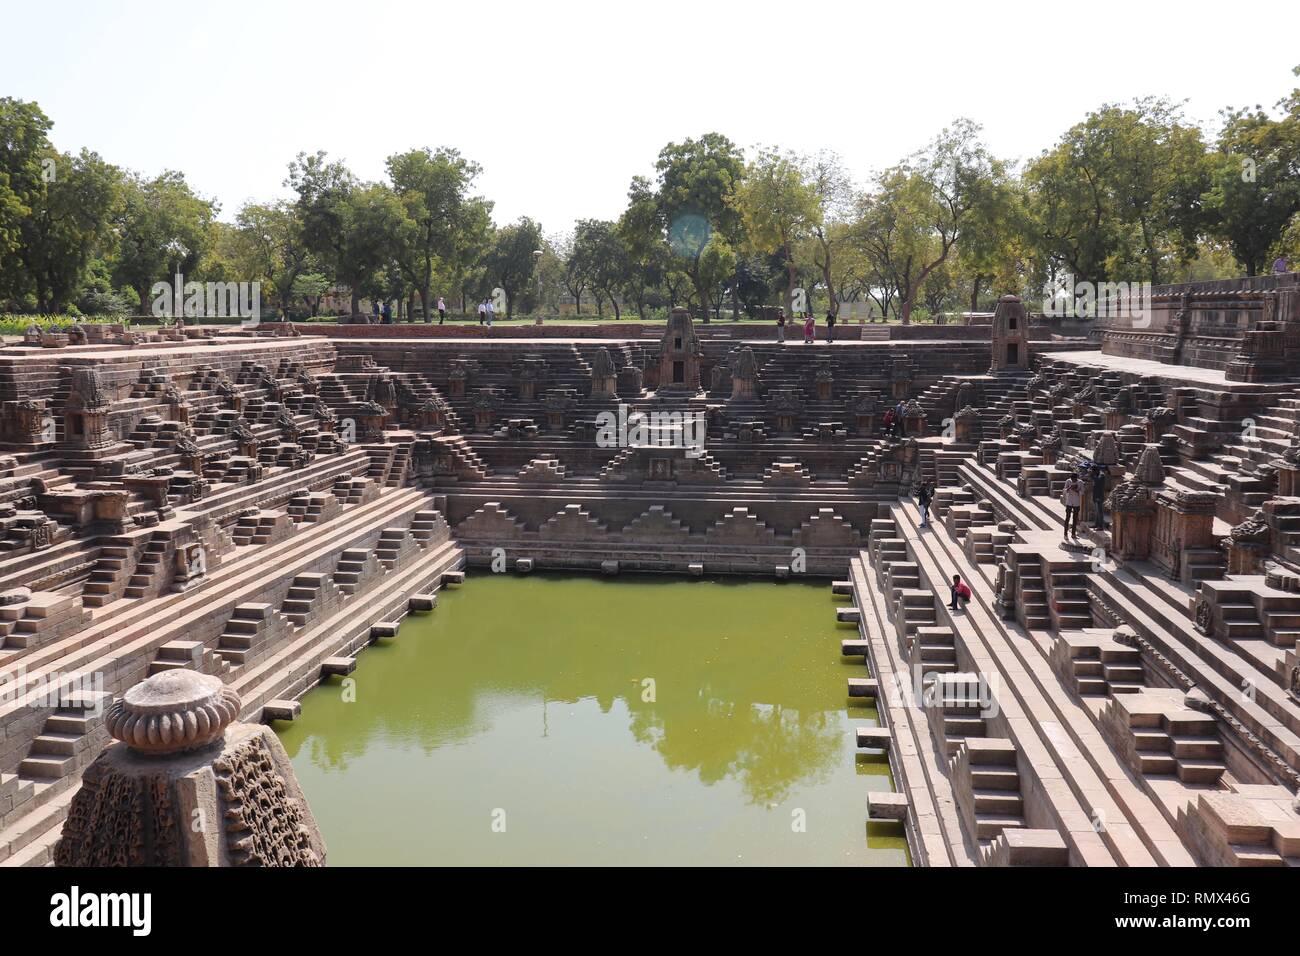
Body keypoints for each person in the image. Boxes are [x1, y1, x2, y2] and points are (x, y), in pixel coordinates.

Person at [1061, 474, 1082, 539]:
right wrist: (1069, 487)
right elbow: (1064, 491)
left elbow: (1082, 492)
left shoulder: (1080, 482)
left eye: (1074, 480)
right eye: (1072, 480)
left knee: (1075, 519)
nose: (1073, 481)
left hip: (1076, 502)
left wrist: (1076, 490)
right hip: (1069, 502)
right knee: (1067, 518)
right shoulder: (1068, 481)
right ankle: (1065, 534)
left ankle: (1073, 534)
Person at [1091, 464, 1108, 530]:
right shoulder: (1097, 475)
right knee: (1096, 511)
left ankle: (1100, 526)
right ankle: (1096, 524)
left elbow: (1098, 482)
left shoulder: (1102, 475)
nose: (1092, 473)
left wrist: (1093, 476)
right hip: (1095, 495)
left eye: (1093, 471)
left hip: (1099, 496)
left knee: (1100, 512)